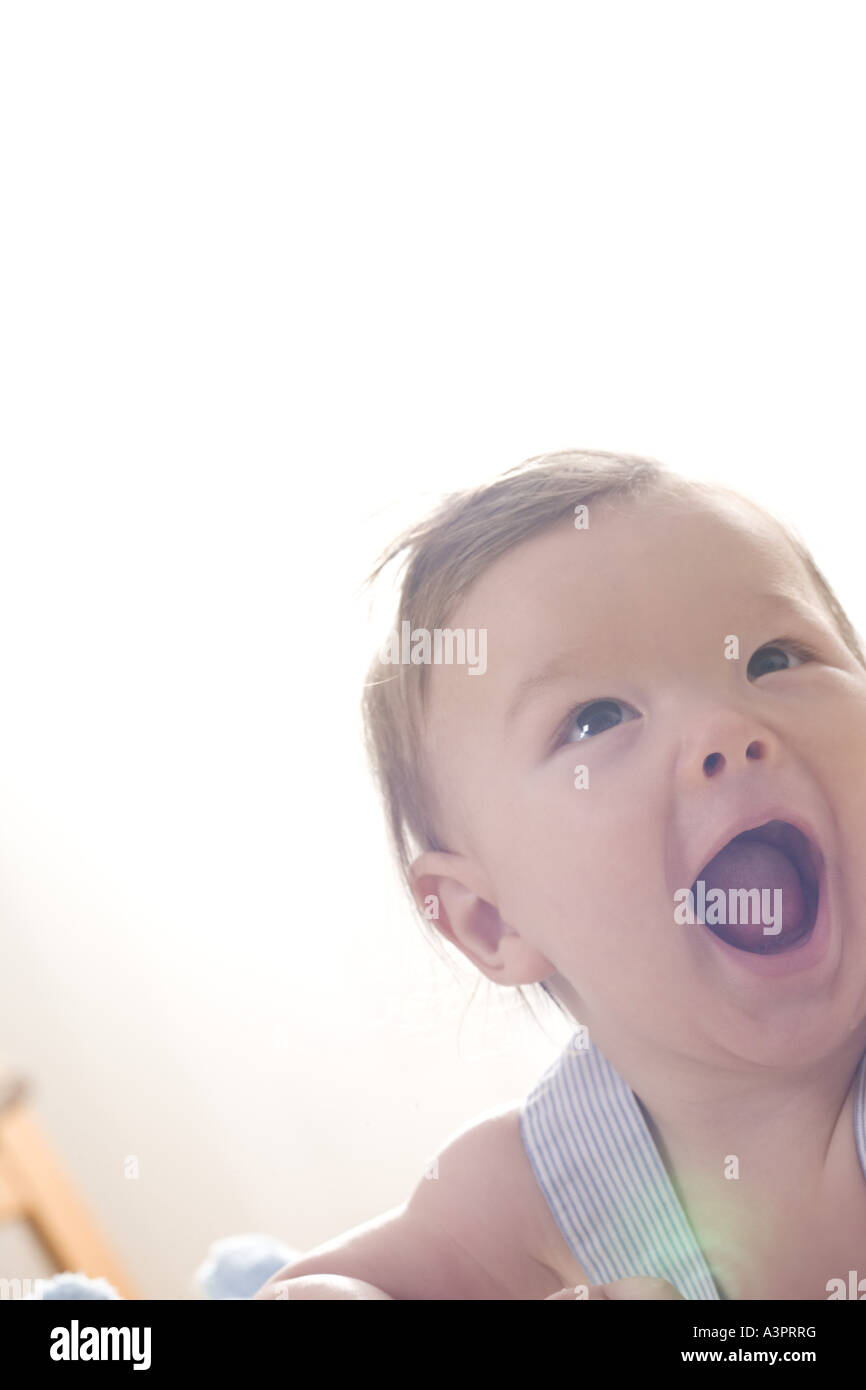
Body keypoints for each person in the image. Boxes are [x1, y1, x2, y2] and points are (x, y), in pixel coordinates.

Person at [255, 448, 866, 1300]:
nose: (727, 727)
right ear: (488, 922)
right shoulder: (537, 1182)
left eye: (774, 657)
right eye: (596, 719)